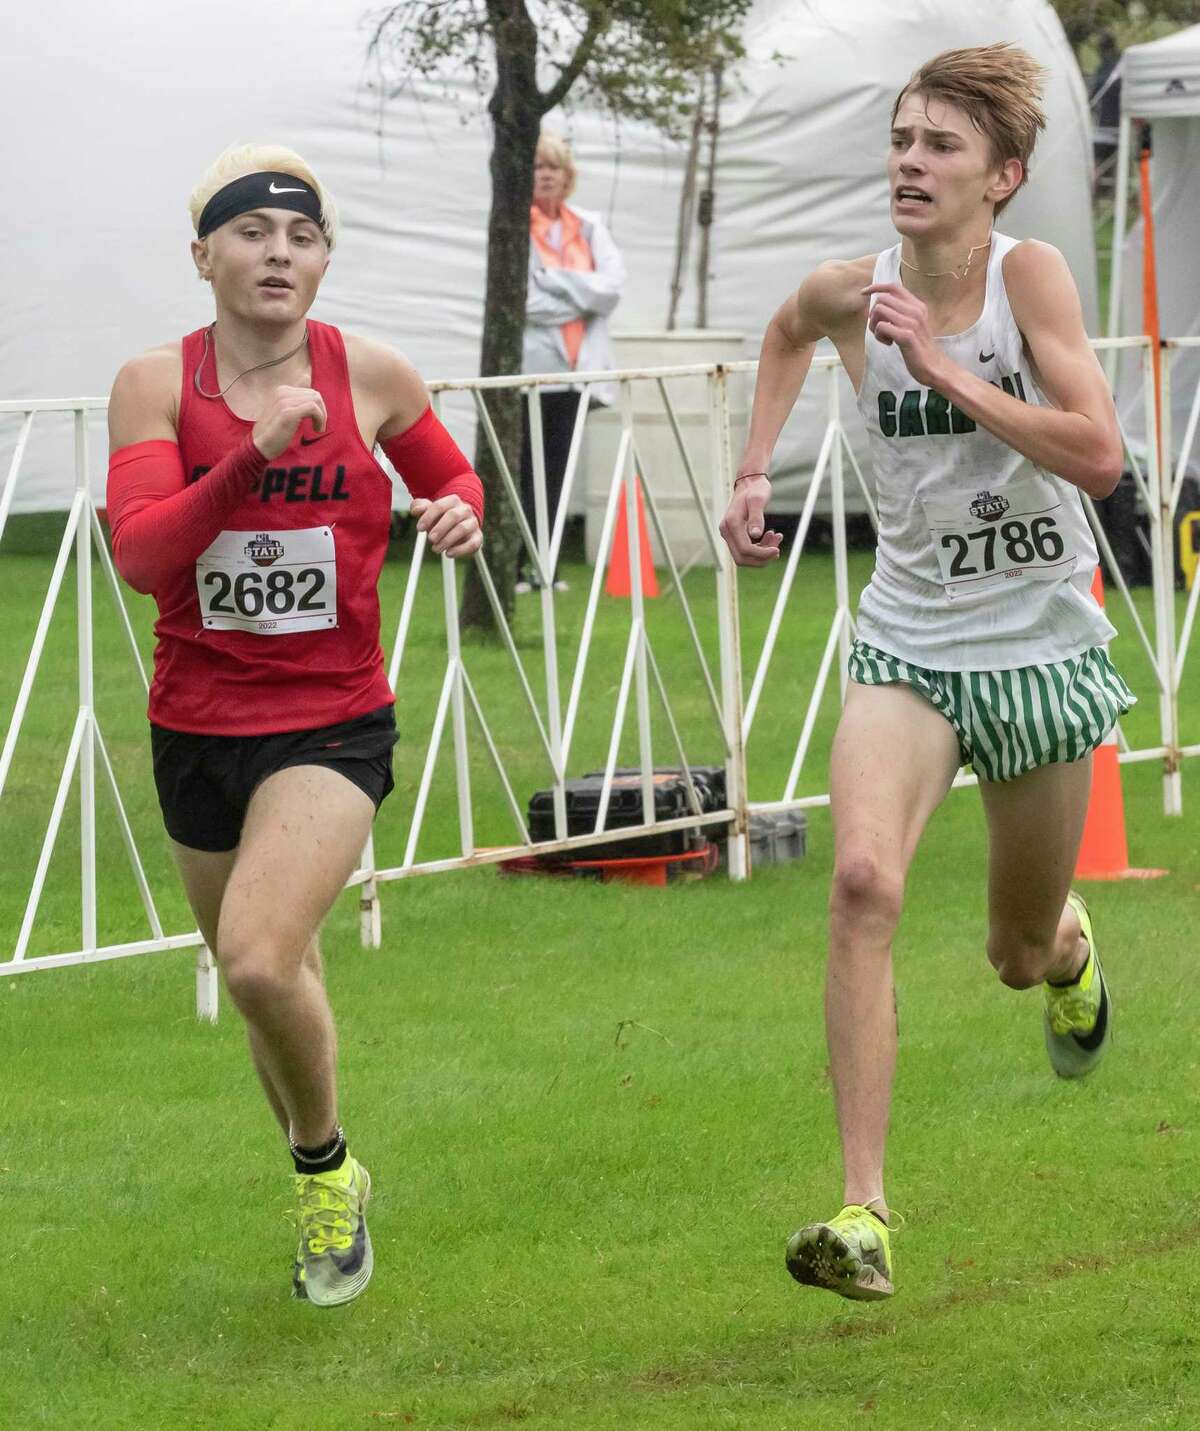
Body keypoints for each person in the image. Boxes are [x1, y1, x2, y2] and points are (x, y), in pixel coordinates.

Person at [719, 45, 1133, 1303]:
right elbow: (788, 334)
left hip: (1039, 641)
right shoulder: (850, 289)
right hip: (909, 632)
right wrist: (750, 471)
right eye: (902, 139)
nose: (910, 161)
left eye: (941, 145)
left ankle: (1068, 958)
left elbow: (1102, 458)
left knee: (1011, 949)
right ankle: (862, 1213)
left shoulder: (1031, 282)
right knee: (858, 881)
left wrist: (946, 369)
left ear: (1002, 176)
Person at [105, 144, 484, 1308]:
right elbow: (141, 556)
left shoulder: (369, 373)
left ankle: (327, 1172)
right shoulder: (156, 386)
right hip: (196, 722)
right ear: (204, 255)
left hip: (332, 719)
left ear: (323, 260)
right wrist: (253, 457)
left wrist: (455, 515)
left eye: (303, 237)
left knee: (259, 957)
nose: (279, 254)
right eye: (254, 234)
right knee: (273, 978)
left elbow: (457, 479)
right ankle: (317, 1158)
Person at [517, 129, 625, 592]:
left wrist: (556, 281)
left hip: (577, 369)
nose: (545, 175)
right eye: (538, 167)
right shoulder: (516, 227)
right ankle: (522, 566)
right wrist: (581, 293)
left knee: (558, 470)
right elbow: (525, 303)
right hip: (532, 368)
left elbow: (611, 288)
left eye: (553, 167)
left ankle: (550, 568)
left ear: (567, 177)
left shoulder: (588, 225)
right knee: (527, 470)